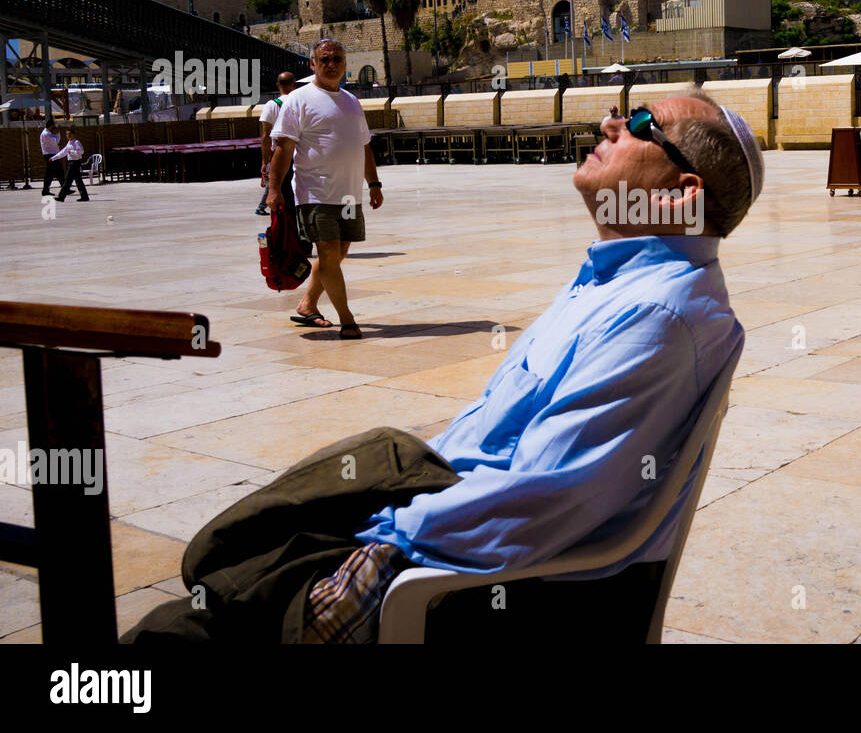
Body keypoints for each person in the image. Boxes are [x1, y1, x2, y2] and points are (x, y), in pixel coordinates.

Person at [123, 87, 764, 644]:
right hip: (438, 523)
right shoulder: (622, 285)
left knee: (173, 636)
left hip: (472, 591)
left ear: (682, 195)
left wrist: (383, 540)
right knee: (220, 573)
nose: (611, 125)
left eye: (645, 125)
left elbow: (545, 496)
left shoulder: (657, 315)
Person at [267, 40, 382, 338]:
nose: (332, 64)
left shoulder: (351, 101)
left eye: (337, 59)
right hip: (315, 193)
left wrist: (374, 183)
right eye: (325, 59)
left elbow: (364, 145)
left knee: (338, 253)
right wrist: (274, 189)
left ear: (345, 63)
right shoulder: (298, 99)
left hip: (348, 194)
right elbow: (283, 147)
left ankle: (307, 305)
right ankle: (348, 319)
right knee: (329, 252)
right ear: (313, 64)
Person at [256, 72, 299, 216]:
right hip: (301, 154)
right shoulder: (301, 102)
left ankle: (286, 231)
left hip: (280, 155)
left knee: (283, 194)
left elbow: (265, 136)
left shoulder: (271, 105)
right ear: (294, 85)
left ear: (277, 85)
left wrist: (265, 161)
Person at [51, 128, 89, 202]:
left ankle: (61, 197)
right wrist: (53, 158)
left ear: (73, 135)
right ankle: (84, 196)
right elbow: (63, 152)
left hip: (75, 163)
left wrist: (71, 152)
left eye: (69, 134)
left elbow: (81, 151)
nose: (68, 135)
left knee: (67, 180)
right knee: (78, 181)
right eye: (67, 134)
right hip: (71, 163)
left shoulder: (76, 142)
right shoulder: (68, 143)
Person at [39, 119, 64, 196]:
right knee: (58, 171)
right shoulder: (47, 134)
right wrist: (58, 133)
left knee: (51, 173)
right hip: (50, 155)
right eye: (54, 126)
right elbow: (56, 142)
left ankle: (46, 190)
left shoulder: (49, 133)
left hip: (51, 154)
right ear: (51, 126)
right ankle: (65, 187)